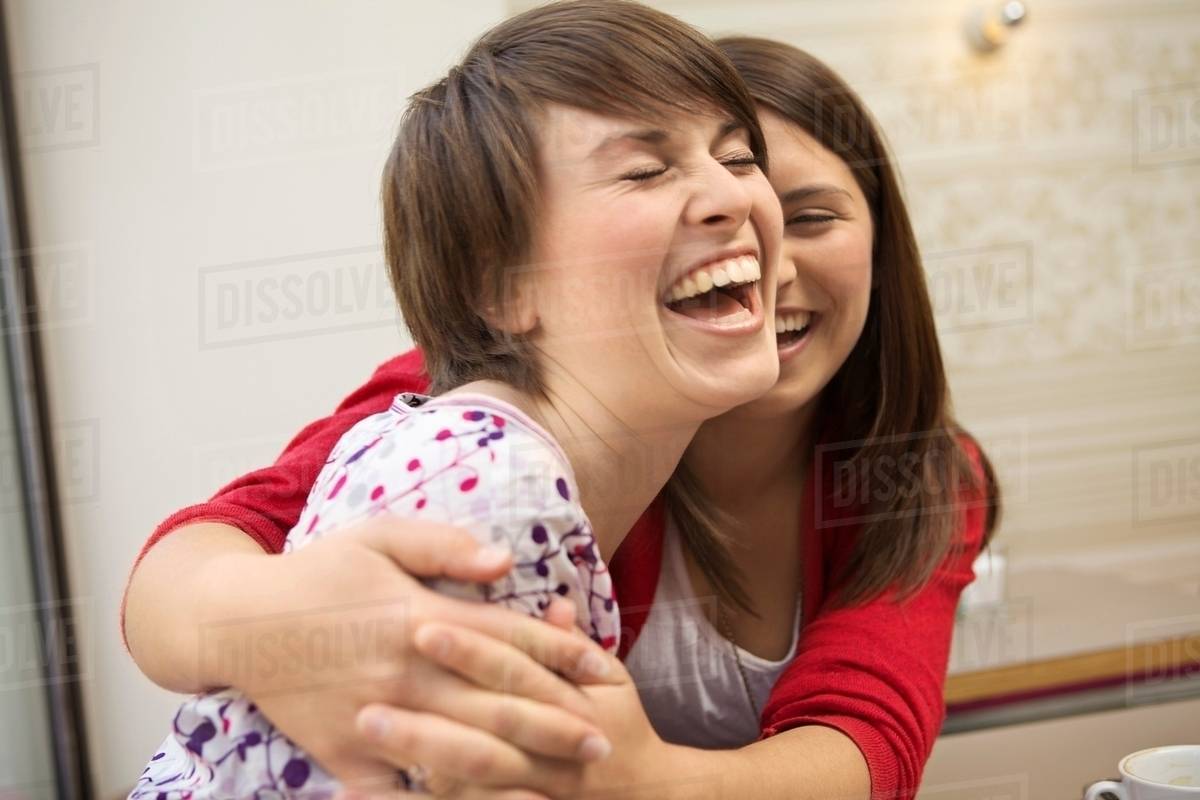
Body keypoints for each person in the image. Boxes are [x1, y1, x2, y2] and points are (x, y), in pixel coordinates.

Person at [122, 21, 1000, 800]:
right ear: (507, 290)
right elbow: (193, 564)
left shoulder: (916, 471)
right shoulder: (479, 436)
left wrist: (644, 781)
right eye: (647, 170)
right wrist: (279, 632)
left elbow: (869, 736)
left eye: (804, 208)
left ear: (888, 248)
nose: (745, 218)